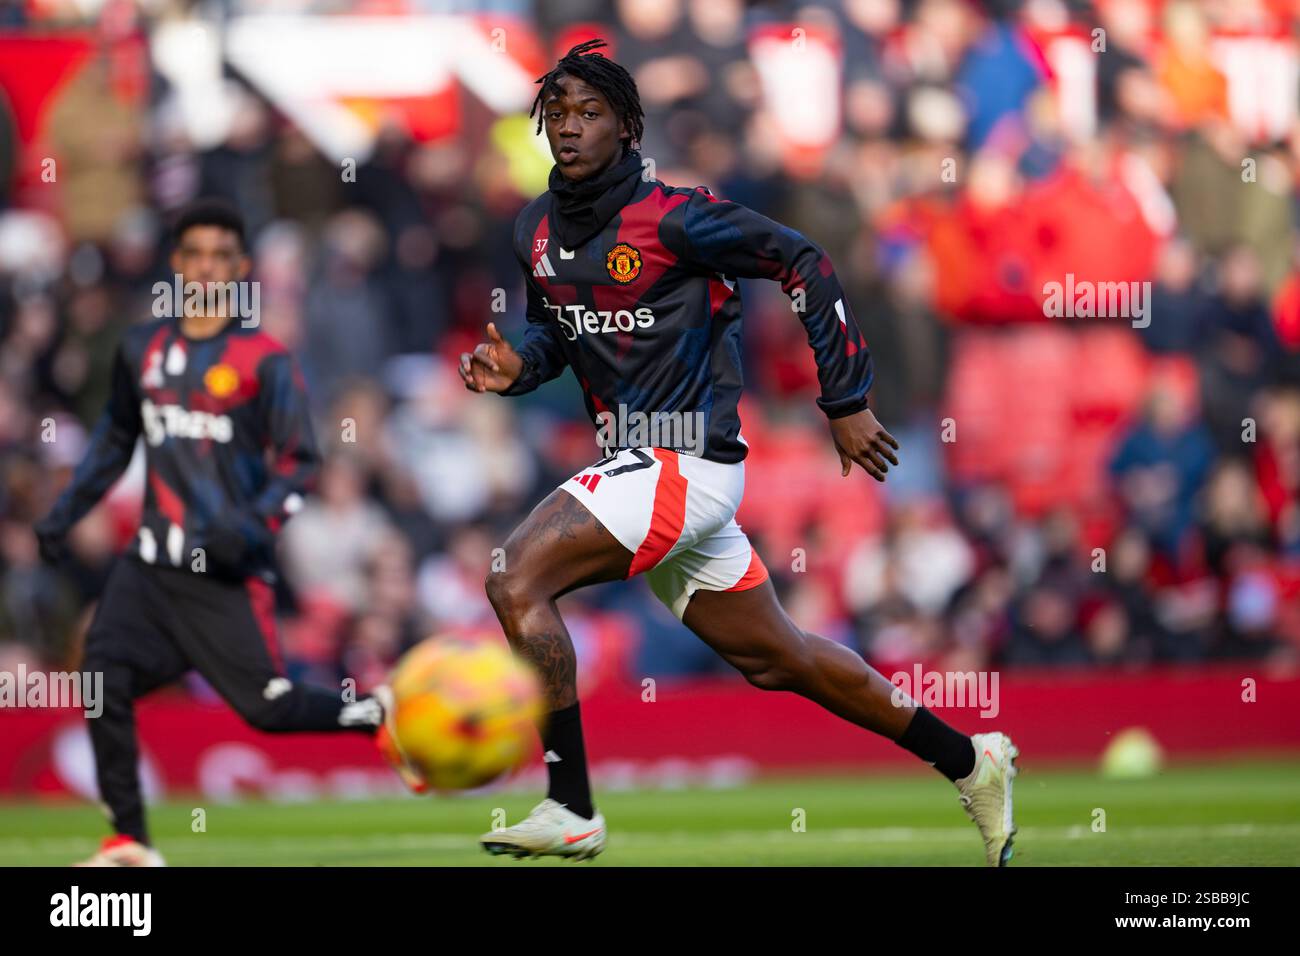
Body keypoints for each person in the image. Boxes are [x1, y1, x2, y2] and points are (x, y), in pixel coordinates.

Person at [458, 40, 1020, 865]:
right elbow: (560, 334)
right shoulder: (533, 229)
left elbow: (803, 258)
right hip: (644, 475)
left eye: (591, 113)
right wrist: (519, 367)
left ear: (626, 126)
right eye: (560, 114)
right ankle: (972, 761)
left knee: (513, 576)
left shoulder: (678, 217)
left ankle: (569, 804)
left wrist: (845, 398)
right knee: (780, 658)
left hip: (687, 460)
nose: (571, 129)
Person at [33, 199, 407, 866]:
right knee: (102, 677)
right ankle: (129, 840)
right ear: (177, 266)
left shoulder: (265, 361)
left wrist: (252, 523)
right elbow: (115, 441)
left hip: (224, 570)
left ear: (237, 270)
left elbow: (300, 463)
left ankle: (374, 713)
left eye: (220, 258)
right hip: (149, 562)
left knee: (267, 709)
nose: (206, 269)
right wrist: (66, 512)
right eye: (194, 256)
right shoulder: (140, 350)